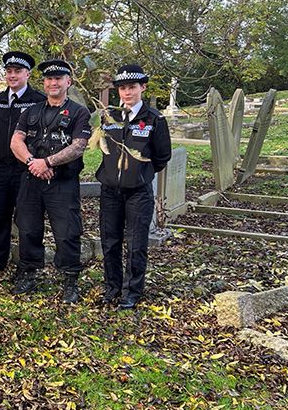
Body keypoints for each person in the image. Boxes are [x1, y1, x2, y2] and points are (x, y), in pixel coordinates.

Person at [10, 59, 91, 302]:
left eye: (58, 78)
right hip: (31, 178)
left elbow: (78, 147)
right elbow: (16, 141)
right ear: (43, 83)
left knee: (67, 232)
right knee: (28, 228)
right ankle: (28, 273)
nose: (53, 83)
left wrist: (48, 162)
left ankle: (70, 280)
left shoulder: (79, 112)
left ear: (68, 82)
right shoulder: (31, 111)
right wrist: (32, 163)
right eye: (48, 79)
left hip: (62, 182)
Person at [96, 64, 172, 309]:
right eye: (122, 88)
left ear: (143, 87)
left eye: (132, 87)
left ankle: (132, 291)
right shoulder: (109, 116)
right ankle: (112, 287)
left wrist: (139, 174)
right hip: (110, 191)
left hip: (138, 193)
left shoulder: (154, 119)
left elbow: (162, 157)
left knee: (136, 243)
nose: (127, 93)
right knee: (110, 241)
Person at [0, 51, 47, 273]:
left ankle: (27, 264)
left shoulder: (38, 101)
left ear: (27, 74)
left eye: (17, 72)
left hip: (26, 169)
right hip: (1, 168)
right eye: (9, 72)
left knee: (27, 219)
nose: (12, 76)